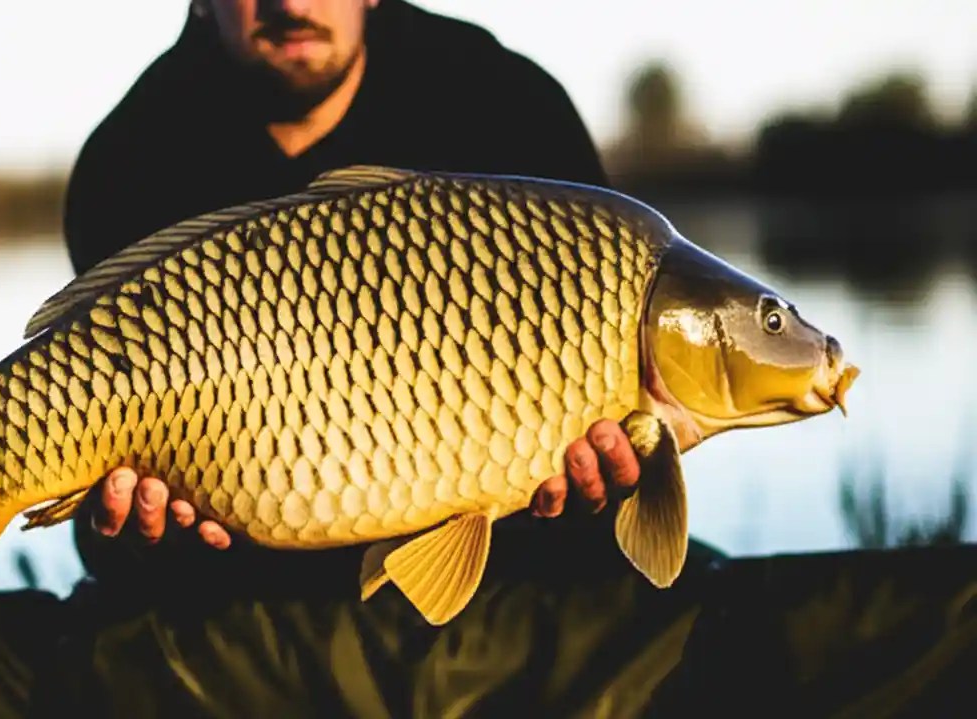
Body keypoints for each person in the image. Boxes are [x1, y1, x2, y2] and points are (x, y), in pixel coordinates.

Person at [62, 0, 651, 569]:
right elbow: (104, 518)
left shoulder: (510, 106)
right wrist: (146, 537)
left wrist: (601, 493)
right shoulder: (127, 160)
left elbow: (607, 461)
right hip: (242, 591)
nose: (289, 2)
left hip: (512, 580)